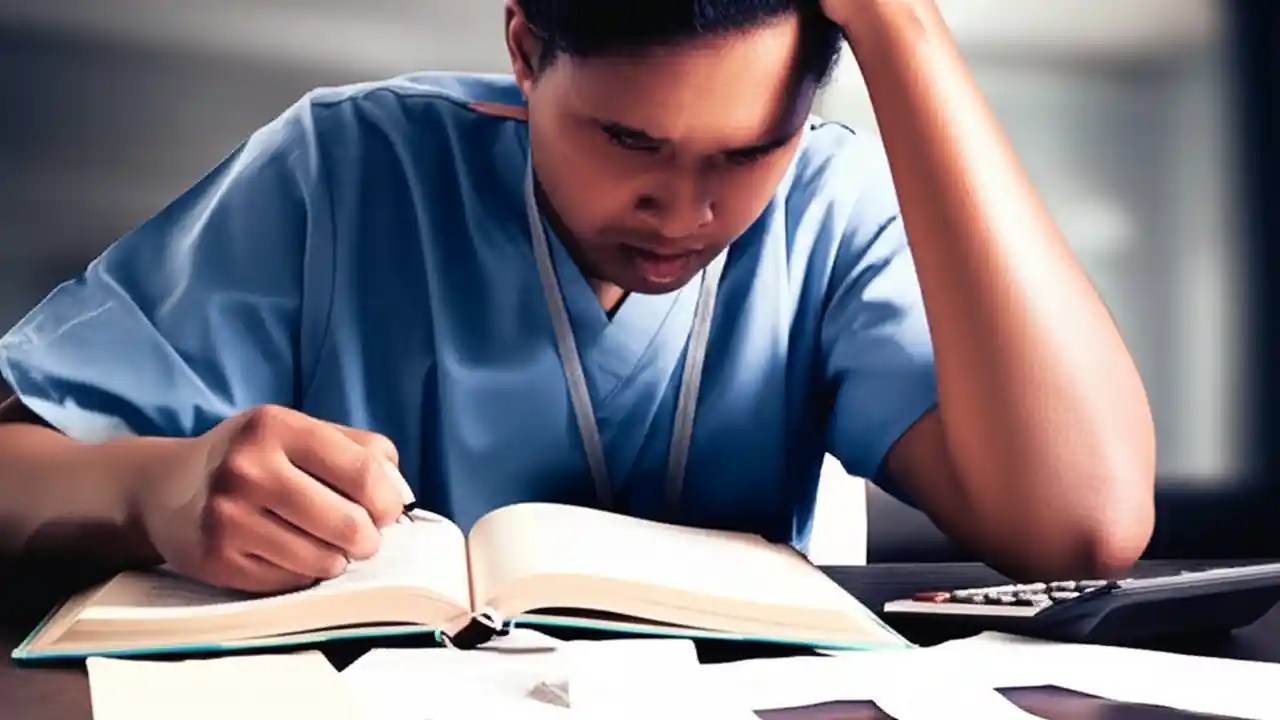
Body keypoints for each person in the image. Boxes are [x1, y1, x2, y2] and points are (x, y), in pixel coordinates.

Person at [0, 0, 1155, 593]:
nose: (681, 211)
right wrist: (155, 488)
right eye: (625, 139)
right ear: (521, 46)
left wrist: (901, 25)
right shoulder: (344, 170)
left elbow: (1084, 524)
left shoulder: (831, 206)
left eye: (746, 151)